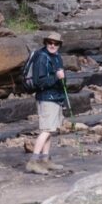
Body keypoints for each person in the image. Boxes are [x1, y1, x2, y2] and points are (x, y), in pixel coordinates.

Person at [25, 32, 66, 175]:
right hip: (46, 98)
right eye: (50, 43)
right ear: (46, 43)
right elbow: (39, 82)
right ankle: (33, 162)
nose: (52, 45)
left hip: (56, 97)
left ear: (59, 45)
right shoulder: (41, 58)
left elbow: (60, 79)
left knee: (50, 130)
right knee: (46, 130)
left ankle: (45, 160)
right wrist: (57, 77)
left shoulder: (57, 57)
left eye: (56, 43)